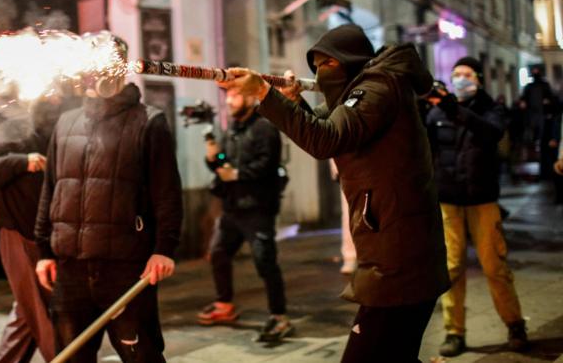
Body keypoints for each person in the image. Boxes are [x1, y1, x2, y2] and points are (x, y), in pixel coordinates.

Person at [218, 24, 450, 362]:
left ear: (351, 61)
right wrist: (292, 102)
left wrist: (264, 94)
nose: (323, 73)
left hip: (398, 255)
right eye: (318, 66)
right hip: (395, 247)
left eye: (329, 64)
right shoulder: (372, 88)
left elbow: (325, 139)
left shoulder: (378, 87)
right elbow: (330, 129)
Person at [34, 80, 183, 362]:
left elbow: (167, 192)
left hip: (125, 267)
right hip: (70, 267)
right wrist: (43, 251)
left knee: (142, 355)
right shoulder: (66, 122)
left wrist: (164, 249)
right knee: (71, 356)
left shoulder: (149, 121)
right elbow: (51, 188)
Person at [425, 57, 528, 357]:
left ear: (479, 79)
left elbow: (491, 133)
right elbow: (426, 143)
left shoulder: (491, 109)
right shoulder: (437, 111)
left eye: (466, 74)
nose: (459, 79)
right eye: (455, 74)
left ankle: (515, 324)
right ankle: (454, 331)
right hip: (448, 201)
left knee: (495, 266)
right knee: (451, 268)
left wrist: (450, 107)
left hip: (482, 200)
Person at [0, 97, 71, 363]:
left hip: (46, 235)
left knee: (28, 313)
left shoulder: (55, 127)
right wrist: (20, 162)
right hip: (21, 234)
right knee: (45, 310)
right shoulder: (13, 130)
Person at [197, 86, 291, 342]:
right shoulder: (233, 129)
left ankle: (279, 315)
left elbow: (267, 164)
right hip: (232, 207)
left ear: (251, 97)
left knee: (265, 261)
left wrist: (237, 174)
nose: (229, 99)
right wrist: (210, 141)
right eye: (228, 95)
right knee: (218, 253)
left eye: (236, 94)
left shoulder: (265, 128)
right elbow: (220, 161)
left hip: (257, 207)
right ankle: (224, 304)